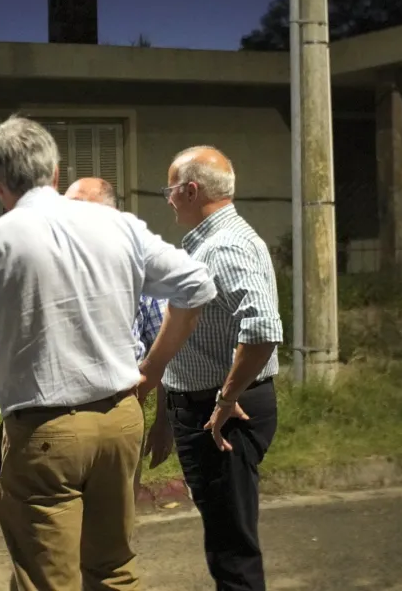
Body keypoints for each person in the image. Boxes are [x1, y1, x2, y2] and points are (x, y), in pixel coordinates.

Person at [0, 116, 218, 590]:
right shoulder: (118, 225)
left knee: (49, 580)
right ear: (56, 172)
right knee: (114, 570)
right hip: (121, 420)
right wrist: (152, 367)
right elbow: (196, 285)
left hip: (47, 429)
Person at [143, 146, 283, 591]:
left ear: (190, 190)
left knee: (232, 548)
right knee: (225, 538)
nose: (167, 200)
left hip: (223, 413)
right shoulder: (217, 240)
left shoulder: (222, 247)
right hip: (206, 405)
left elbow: (261, 328)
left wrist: (226, 400)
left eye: (170, 190)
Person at [63, 177, 174, 475]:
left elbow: (163, 349)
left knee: (115, 519)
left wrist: (164, 422)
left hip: (117, 416)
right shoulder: (45, 263)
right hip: (52, 422)